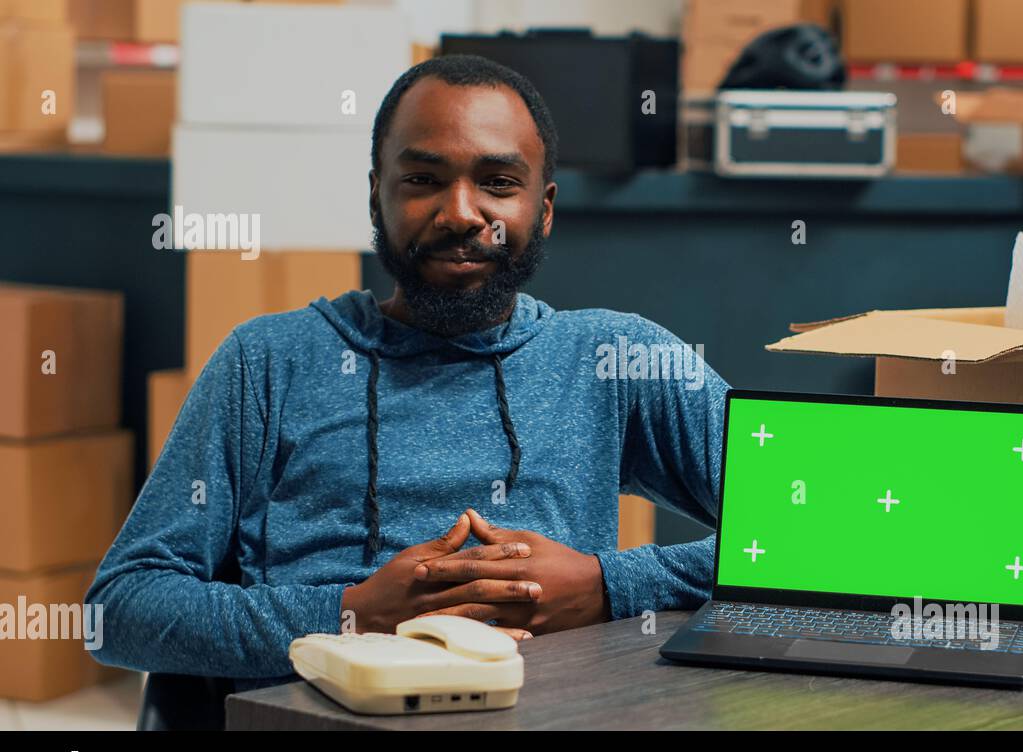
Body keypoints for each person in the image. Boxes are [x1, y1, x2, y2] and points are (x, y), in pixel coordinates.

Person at [86, 55, 727, 688]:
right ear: (377, 194)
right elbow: (119, 610)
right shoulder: (268, 362)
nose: (460, 213)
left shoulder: (615, 359)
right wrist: (350, 617)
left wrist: (607, 586)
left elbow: (819, 530)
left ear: (545, 207)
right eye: (423, 179)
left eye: (499, 183)